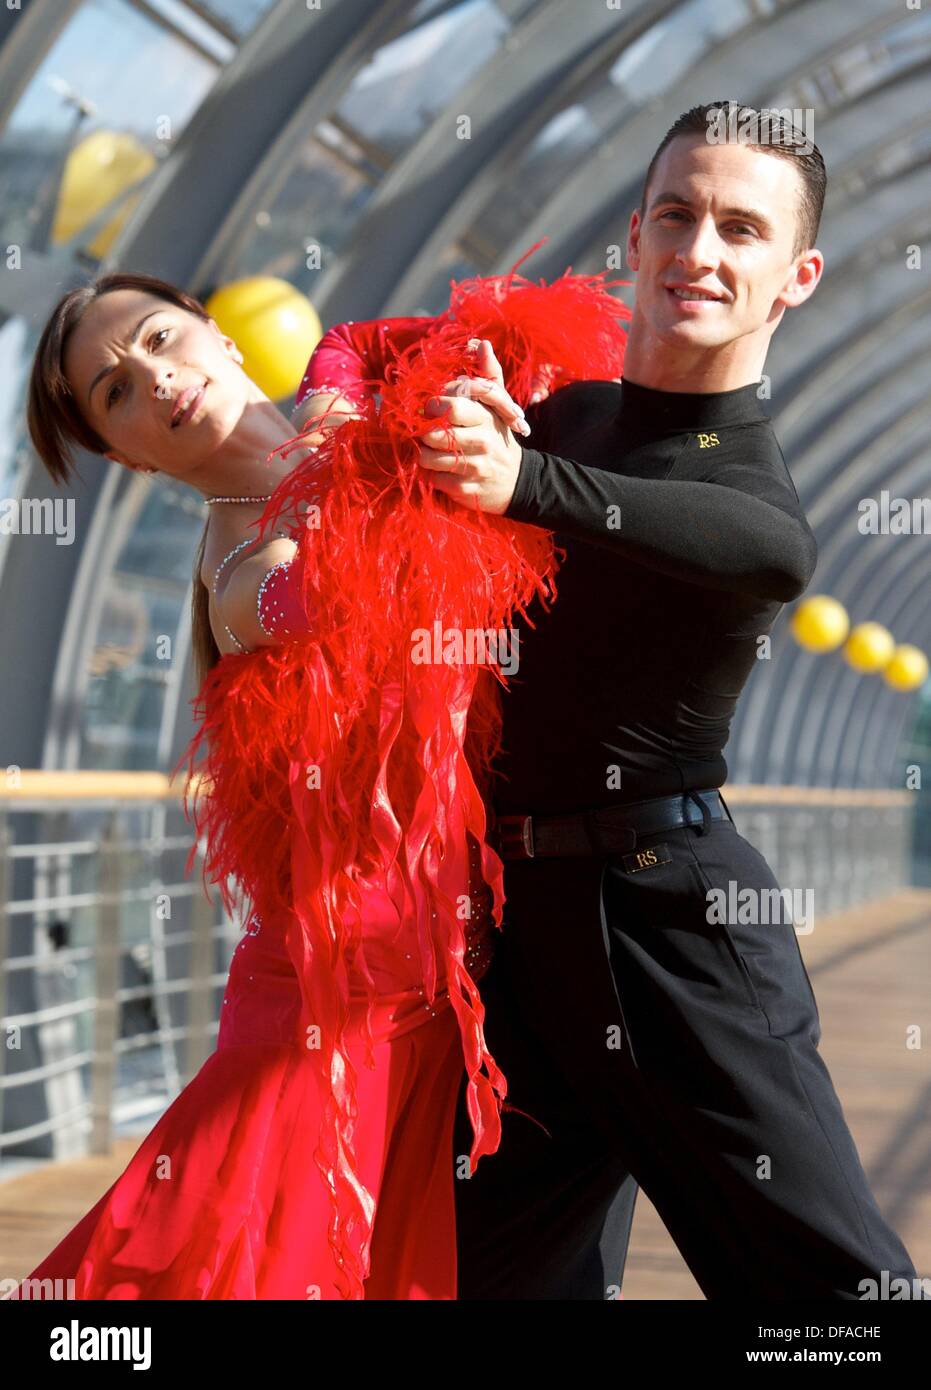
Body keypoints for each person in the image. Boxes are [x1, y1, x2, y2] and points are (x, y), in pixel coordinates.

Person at [305, 102, 922, 1300]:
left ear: (794, 278)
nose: (700, 250)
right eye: (679, 216)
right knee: (493, 1280)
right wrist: (381, 401)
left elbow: (761, 546)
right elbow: (360, 345)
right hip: (521, 933)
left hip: (674, 925)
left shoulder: (738, 486)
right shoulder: (567, 414)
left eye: (740, 230)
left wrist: (525, 478)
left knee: (834, 1288)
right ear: (633, 238)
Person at [10, 260, 627, 1300]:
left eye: (158, 340)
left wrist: (352, 367)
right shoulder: (236, 566)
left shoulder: (347, 418)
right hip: (335, 1002)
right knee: (214, 1273)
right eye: (114, 392)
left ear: (221, 336)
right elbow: (322, 589)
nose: (153, 380)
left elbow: (495, 322)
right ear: (126, 455)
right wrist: (353, 436)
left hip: (457, 973)